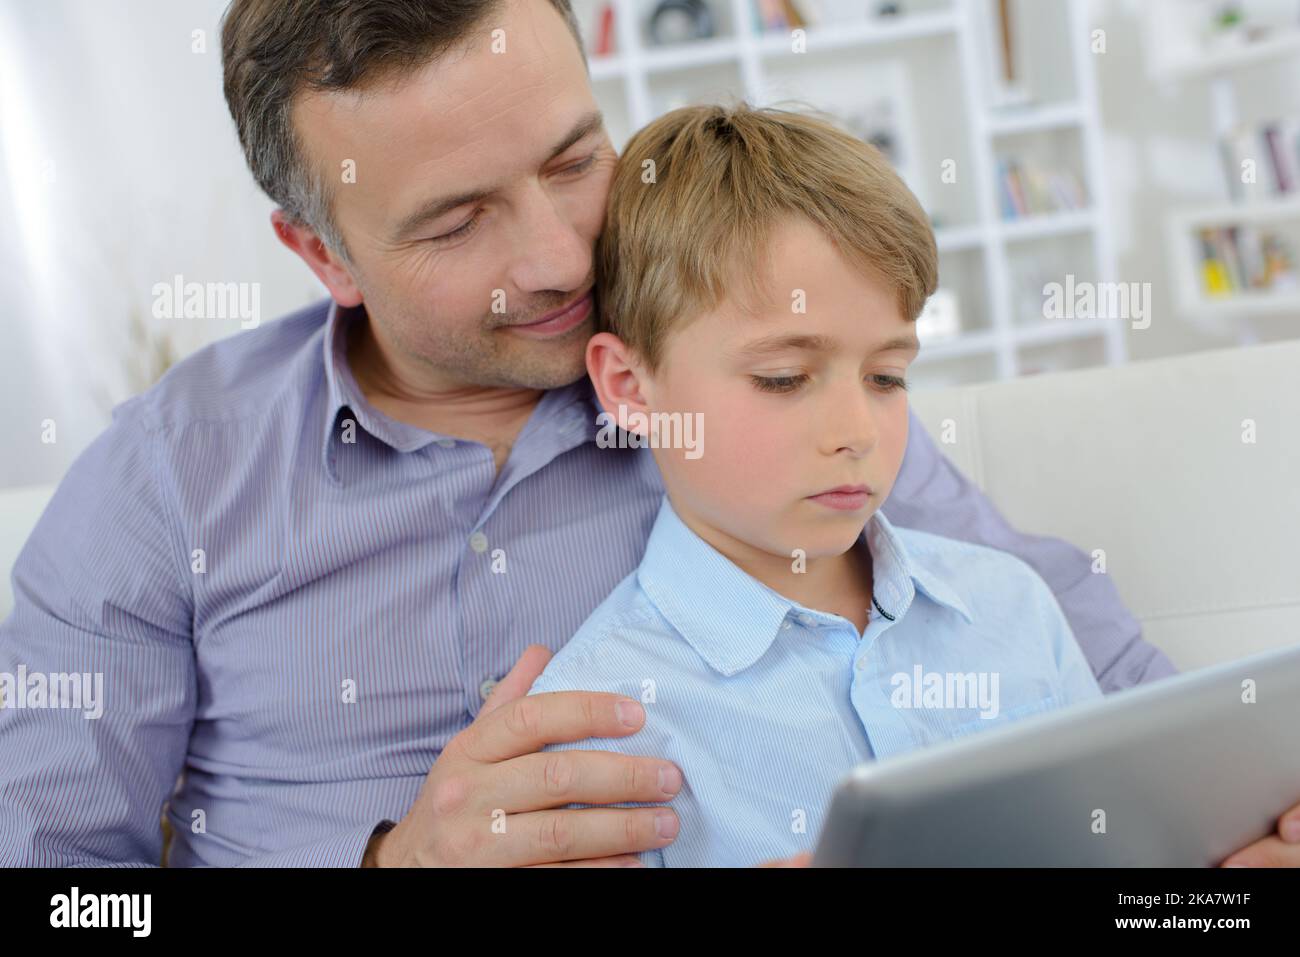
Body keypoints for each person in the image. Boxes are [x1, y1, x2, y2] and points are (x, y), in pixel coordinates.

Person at [0, 0, 1293, 868]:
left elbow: (1103, 689)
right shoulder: (168, 480)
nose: (567, 253)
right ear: (318, 251)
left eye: (574, 159)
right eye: (458, 224)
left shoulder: (734, 379)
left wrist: (1240, 820)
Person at [524, 102, 1107, 866]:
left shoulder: (1010, 604)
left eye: (887, 375)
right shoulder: (599, 725)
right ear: (632, 388)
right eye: (784, 378)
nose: (856, 431)